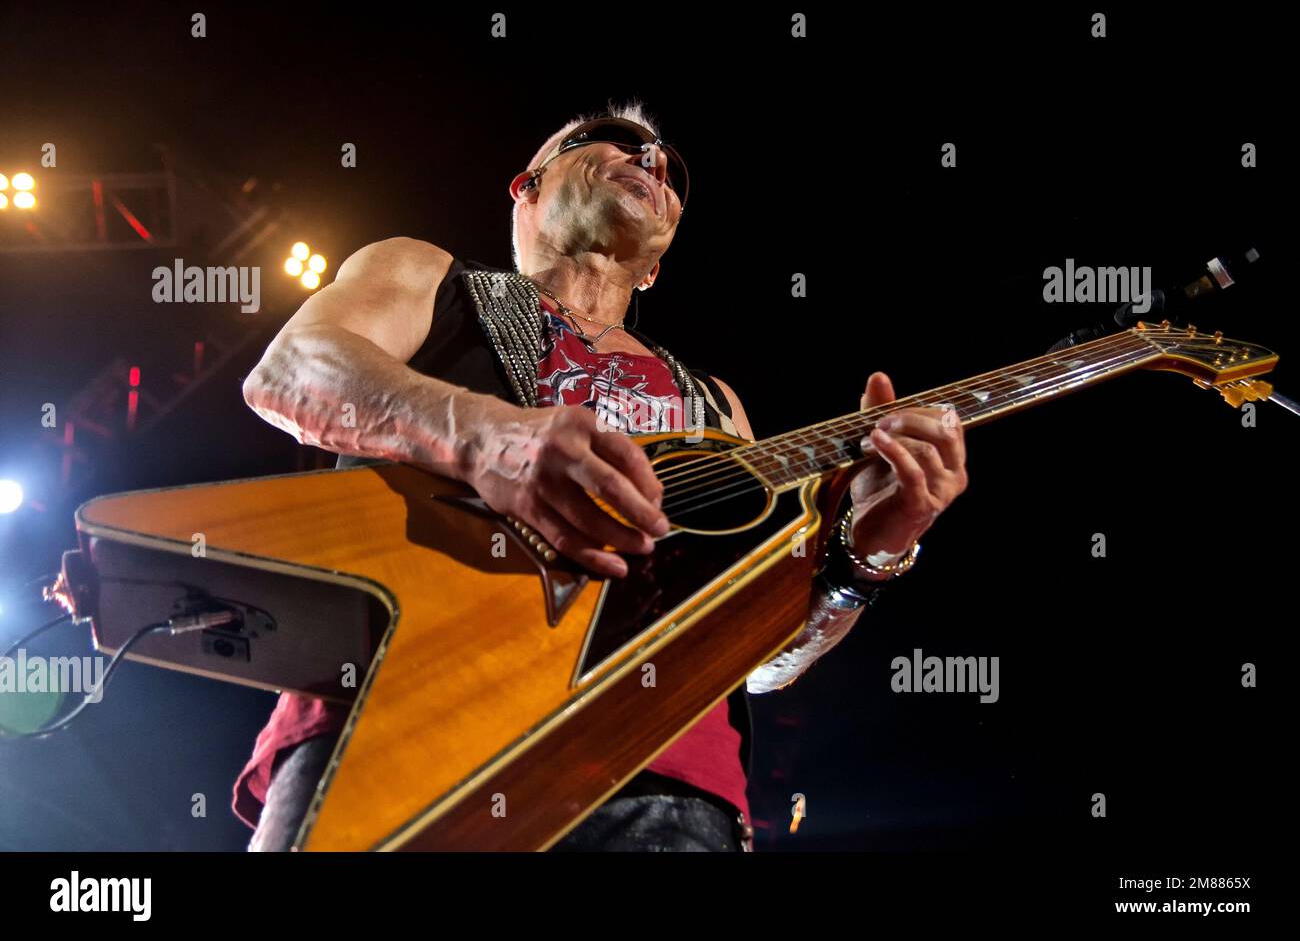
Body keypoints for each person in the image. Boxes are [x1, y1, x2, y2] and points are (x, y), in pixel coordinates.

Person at [234, 101, 969, 852]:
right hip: (400, 709)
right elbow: (289, 372)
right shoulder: (422, 272)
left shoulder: (717, 407)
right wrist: (486, 435)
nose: (652, 161)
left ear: (655, 265)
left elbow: (761, 664)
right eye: (616, 142)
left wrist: (865, 556)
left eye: (669, 167)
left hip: (658, 766)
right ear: (528, 186)